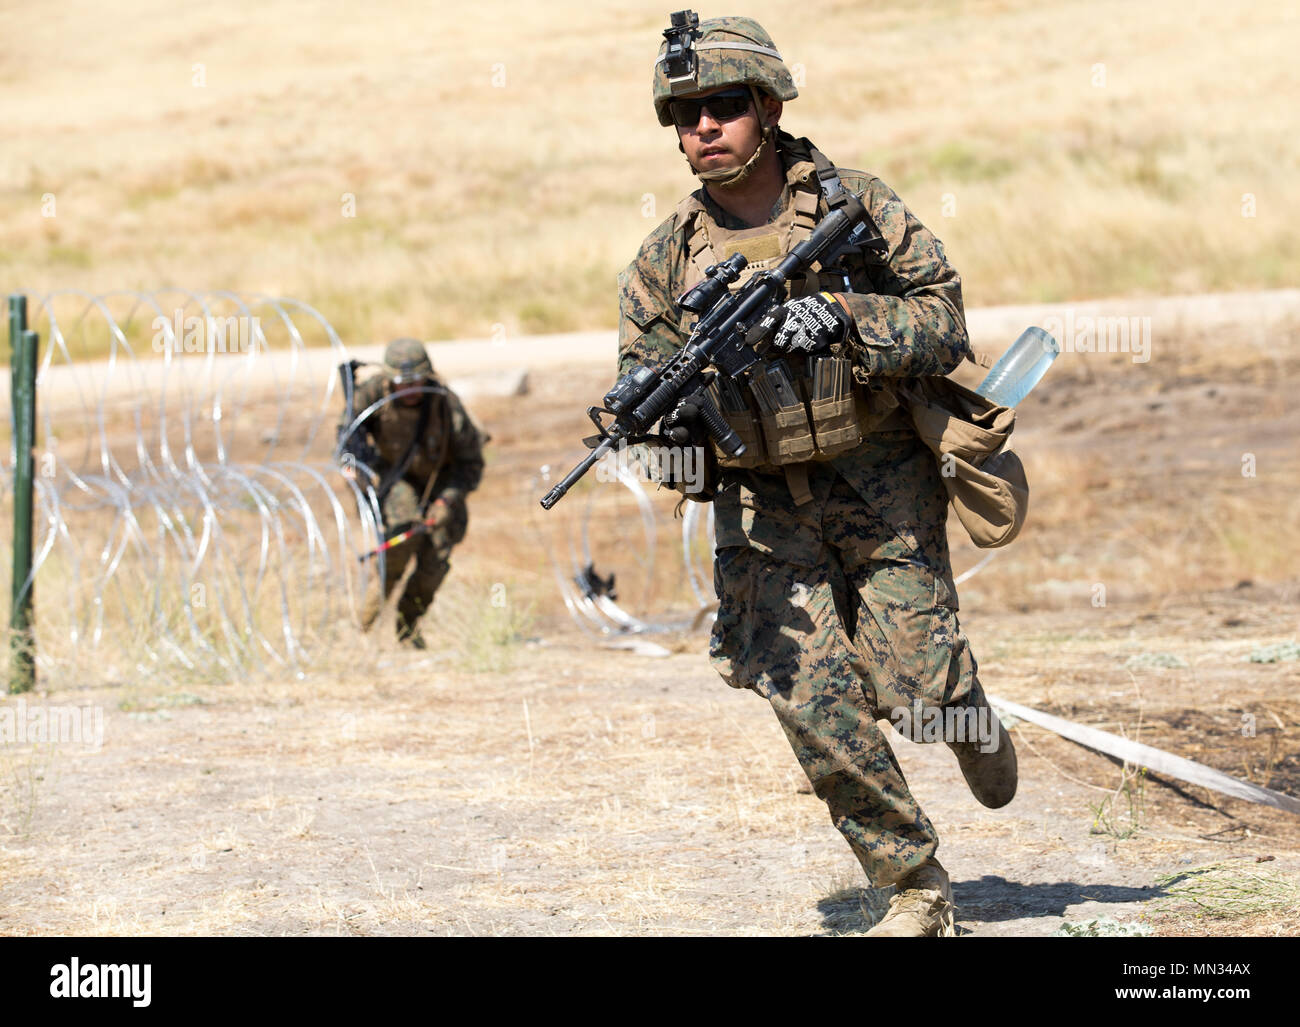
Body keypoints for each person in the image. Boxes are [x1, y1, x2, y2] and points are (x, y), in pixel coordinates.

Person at [617, 11, 1018, 936]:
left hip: (880, 481)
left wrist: (843, 318)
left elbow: (945, 319)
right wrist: (663, 422)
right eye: (682, 115)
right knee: (809, 696)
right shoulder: (664, 263)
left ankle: (962, 709)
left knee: (917, 693)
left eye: (720, 106)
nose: (702, 128)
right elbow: (656, 440)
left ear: (766, 104)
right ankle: (913, 881)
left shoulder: (856, 205)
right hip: (763, 509)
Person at [338, 338, 485, 647]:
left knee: (435, 561)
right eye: (401, 382)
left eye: (417, 381)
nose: (409, 389)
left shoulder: (446, 404)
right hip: (396, 479)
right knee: (398, 545)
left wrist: (449, 499)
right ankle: (362, 629)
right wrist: (352, 468)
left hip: (442, 483)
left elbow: (471, 462)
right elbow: (346, 436)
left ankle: (408, 630)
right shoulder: (372, 395)